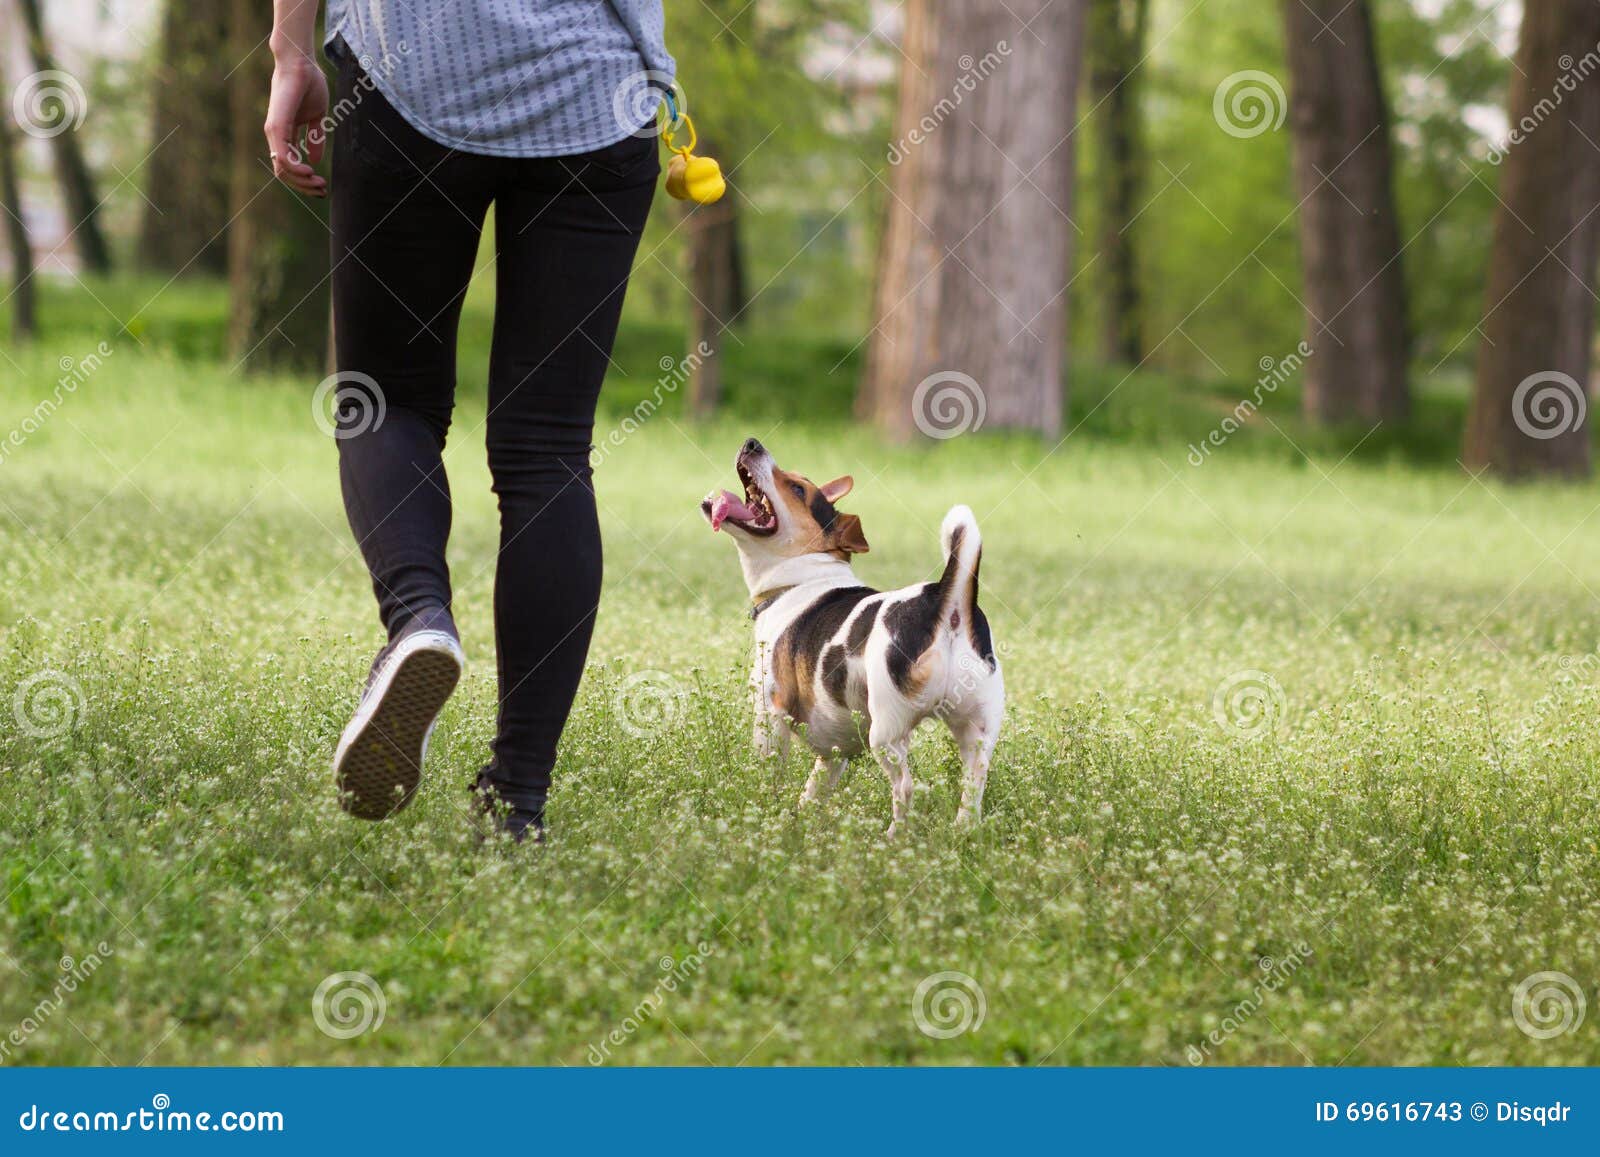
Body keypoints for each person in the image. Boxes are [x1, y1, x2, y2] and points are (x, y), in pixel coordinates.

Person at [265, 0, 672, 842]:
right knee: (548, 450)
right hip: (597, 94)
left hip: (415, 72)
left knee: (385, 400)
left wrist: (290, 52)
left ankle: (418, 617)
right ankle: (517, 799)